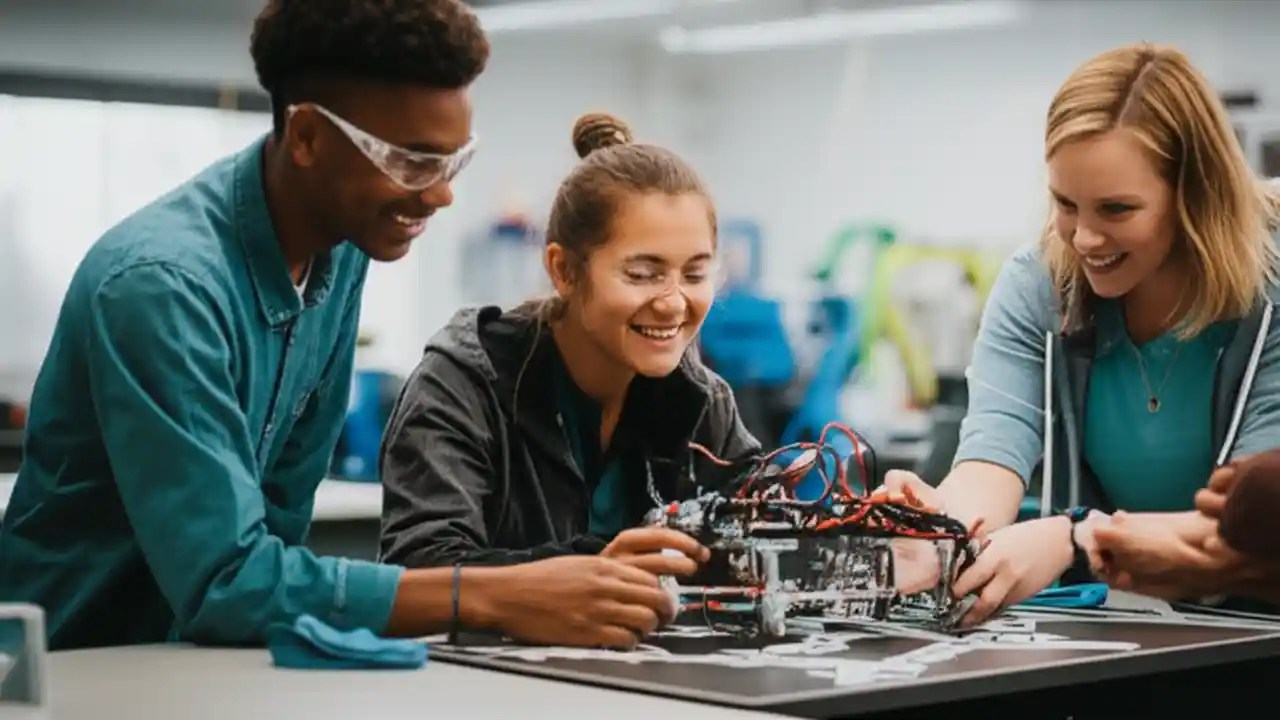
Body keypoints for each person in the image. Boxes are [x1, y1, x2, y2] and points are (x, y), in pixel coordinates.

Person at [0, 0, 676, 652]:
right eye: (412, 161)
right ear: (307, 138)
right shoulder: (162, 286)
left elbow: (281, 519)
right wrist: (496, 593)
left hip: (208, 662)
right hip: (76, 667)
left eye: (453, 159)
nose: (441, 193)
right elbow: (227, 581)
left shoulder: (343, 247)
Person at [882, 42, 1280, 624]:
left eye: (1116, 210)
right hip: (1117, 617)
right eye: (1066, 204)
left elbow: (1251, 524)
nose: (1084, 238)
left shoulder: (1269, 289)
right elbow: (993, 454)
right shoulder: (1038, 286)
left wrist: (1076, 539)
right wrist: (938, 525)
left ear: (1194, 196)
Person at [379, 112, 761, 574]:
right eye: (642, 274)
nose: (673, 303)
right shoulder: (465, 385)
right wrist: (594, 570)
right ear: (563, 270)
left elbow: (760, 537)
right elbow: (421, 569)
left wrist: (863, 517)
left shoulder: (700, 400)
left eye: (695, 274)